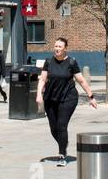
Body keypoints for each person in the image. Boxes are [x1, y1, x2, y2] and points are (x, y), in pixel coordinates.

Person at [36, 37, 97, 166]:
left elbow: (81, 81)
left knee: (61, 125)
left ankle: (62, 155)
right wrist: (39, 95)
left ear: (65, 49)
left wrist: (91, 97)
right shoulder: (48, 61)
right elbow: (42, 79)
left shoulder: (71, 62)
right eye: (56, 46)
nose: (57, 48)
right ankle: (63, 142)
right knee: (54, 129)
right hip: (50, 98)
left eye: (59, 47)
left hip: (68, 98)